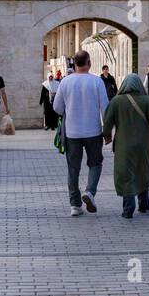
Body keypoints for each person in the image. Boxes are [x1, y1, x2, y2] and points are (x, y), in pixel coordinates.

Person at [103, 74, 149, 218]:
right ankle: (144, 203)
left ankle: (128, 207)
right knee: (142, 171)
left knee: (125, 174)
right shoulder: (146, 101)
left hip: (124, 145)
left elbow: (107, 122)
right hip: (144, 144)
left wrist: (107, 136)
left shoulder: (116, 101)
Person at [52, 51, 111, 217]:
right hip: (93, 131)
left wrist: (69, 110)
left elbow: (57, 107)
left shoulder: (65, 82)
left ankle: (75, 205)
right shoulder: (97, 81)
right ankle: (90, 192)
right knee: (95, 163)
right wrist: (107, 131)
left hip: (72, 132)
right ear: (89, 63)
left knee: (73, 168)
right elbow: (105, 108)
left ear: (74, 64)